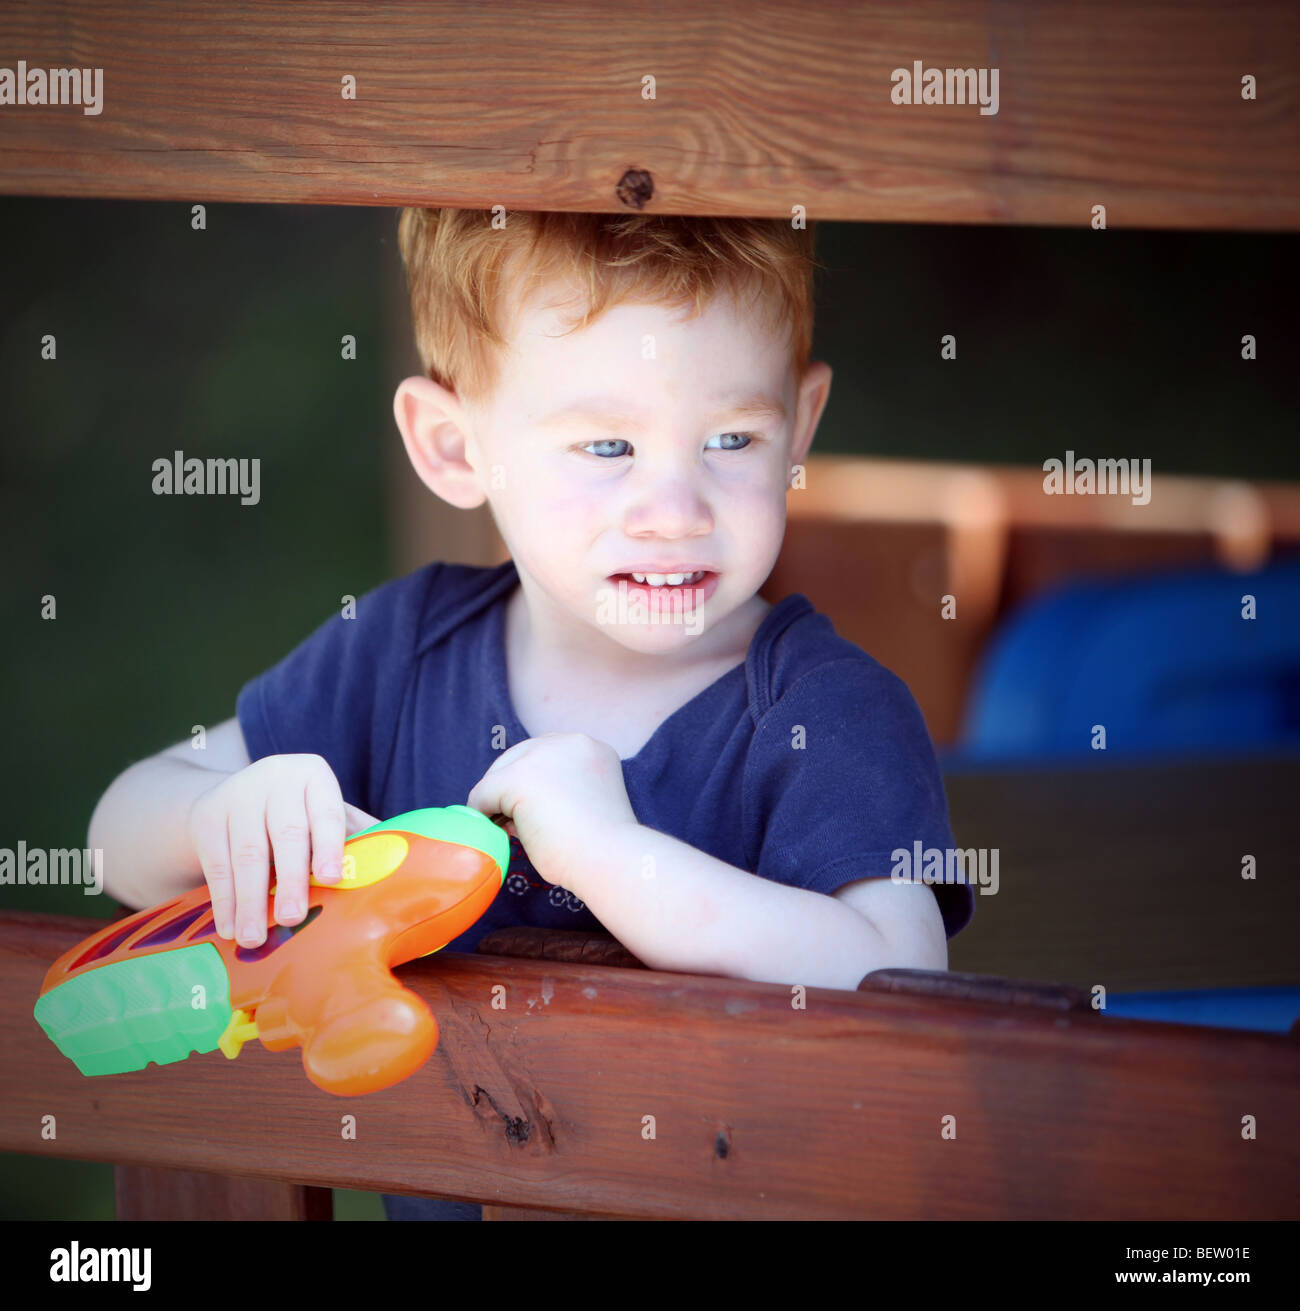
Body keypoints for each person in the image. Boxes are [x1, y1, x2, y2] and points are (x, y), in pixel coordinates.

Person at [89, 208, 975, 1220]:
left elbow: (897, 974)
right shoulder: (399, 654)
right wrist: (222, 817)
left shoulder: (826, 712)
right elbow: (116, 827)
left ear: (799, 427)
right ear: (455, 446)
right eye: (606, 446)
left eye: (732, 438)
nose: (676, 507)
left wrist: (612, 855)